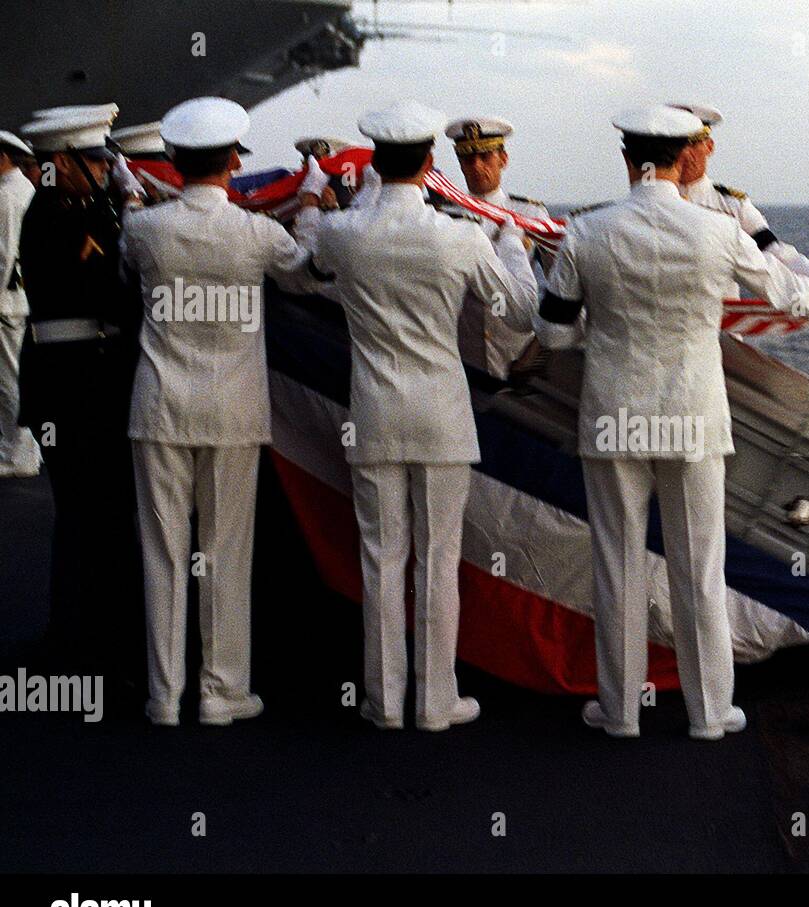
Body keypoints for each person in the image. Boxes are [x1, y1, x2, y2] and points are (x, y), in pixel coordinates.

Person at [534, 105, 809, 740]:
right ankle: (709, 713)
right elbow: (791, 293)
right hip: (692, 418)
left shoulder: (586, 232)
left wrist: (606, 332)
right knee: (700, 564)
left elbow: (554, 331)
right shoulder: (716, 232)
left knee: (615, 563)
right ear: (684, 161)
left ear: (628, 160)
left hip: (615, 416)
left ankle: (620, 712)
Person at [308, 100, 538, 731]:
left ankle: (384, 701)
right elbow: (519, 311)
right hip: (440, 411)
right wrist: (513, 243)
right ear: (433, 163)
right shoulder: (460, 235)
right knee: (438, 560)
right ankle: (436, 700)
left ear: (376, 161)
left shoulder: (344, 233)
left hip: (374, 413)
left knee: (380, 558)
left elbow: (311, 270)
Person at [119, 96, 319, 726]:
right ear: (234, 160)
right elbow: (308, 273)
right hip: (231, 411)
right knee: (226, 550)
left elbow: (128, 264)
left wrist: (133, 196)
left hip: (159, 408)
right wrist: (311, 201)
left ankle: (163, 693)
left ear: (174, 162)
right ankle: (220, 690)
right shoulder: (256, 234)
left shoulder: (144, 229)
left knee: (163, 551)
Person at [17, 103, 146, 683]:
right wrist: (128, 209)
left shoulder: (80, 209)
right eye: (95, 160)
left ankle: (93, 628)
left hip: (85, 377)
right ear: (61, 164)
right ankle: (77, 636)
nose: (105, 168)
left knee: (97, 510)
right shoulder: (54, 215)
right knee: (84, 510)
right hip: (76, 381)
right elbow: (108, 292)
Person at [669, 103, 809, 287]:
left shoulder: (731, 205)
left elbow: (775, 253)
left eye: (692, 144)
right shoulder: (644, 199)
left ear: (709, 147)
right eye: (676, 145)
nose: (685, 154)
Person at [444, 115, 552, 381]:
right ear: (459, 163)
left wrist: (540, 348)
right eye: (468, 159)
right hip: (463, 357)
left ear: (503, 159)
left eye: (485, 157)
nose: (477, 166)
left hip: (515, 355)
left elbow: (557, 283)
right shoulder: (445, 216)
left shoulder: (529, 213)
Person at [0, 131, 40, 478]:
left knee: (8, 381)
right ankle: (24, 451)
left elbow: (5, 256)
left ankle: (19, 457)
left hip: (6, 303)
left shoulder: (7, 196)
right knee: (15, 378)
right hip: (16, 300)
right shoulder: (23, 190)